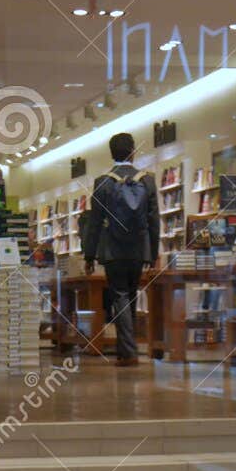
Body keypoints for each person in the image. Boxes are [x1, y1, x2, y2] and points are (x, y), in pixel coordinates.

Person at [81, 131, 161, 367]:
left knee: (120, 295)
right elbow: (154, 220)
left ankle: (128, 350)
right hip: (138, 249)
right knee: (131, 294)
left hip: (113, 249)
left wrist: (89, 255)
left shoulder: (103, 182)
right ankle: (127, 348)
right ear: (133, 152)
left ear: (111, 154)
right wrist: (153, 253)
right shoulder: (147, 180)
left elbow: (95, 222)